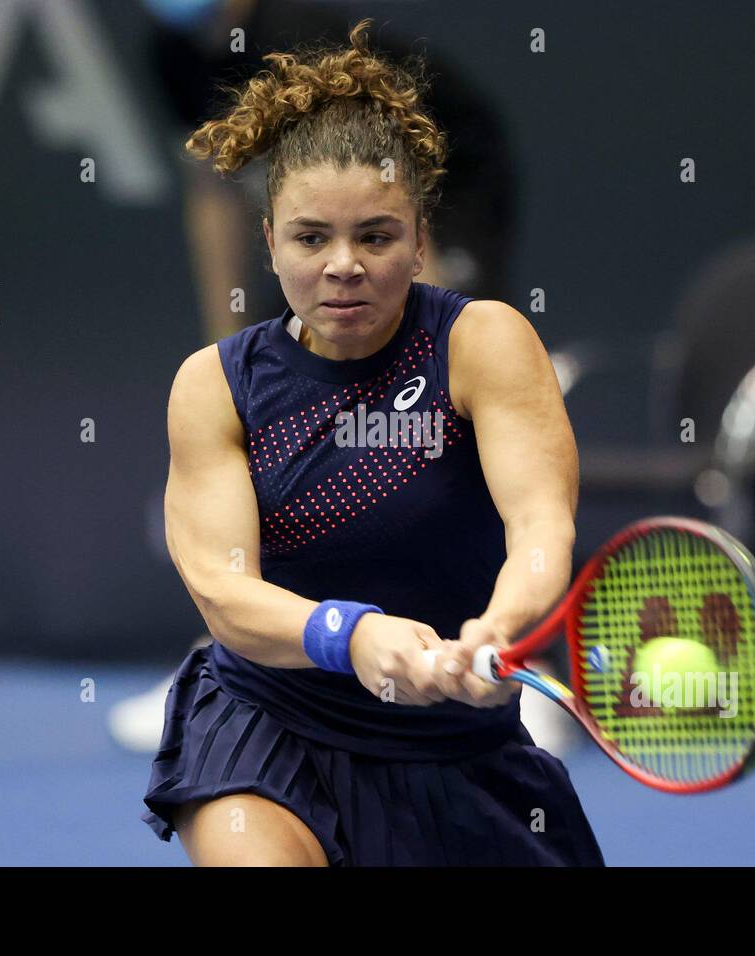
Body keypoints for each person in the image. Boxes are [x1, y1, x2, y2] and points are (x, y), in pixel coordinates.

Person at [140, 18, 603, 866]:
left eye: (377, 236)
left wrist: (497, 626)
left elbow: (541, 529)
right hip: (269, 731)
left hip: (459, 750)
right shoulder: (213, 386)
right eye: (311, 237)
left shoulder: (484, 343)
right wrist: (351, 637)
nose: (343, 264)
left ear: (422, 240)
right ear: (270, 242)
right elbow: (222, 592)